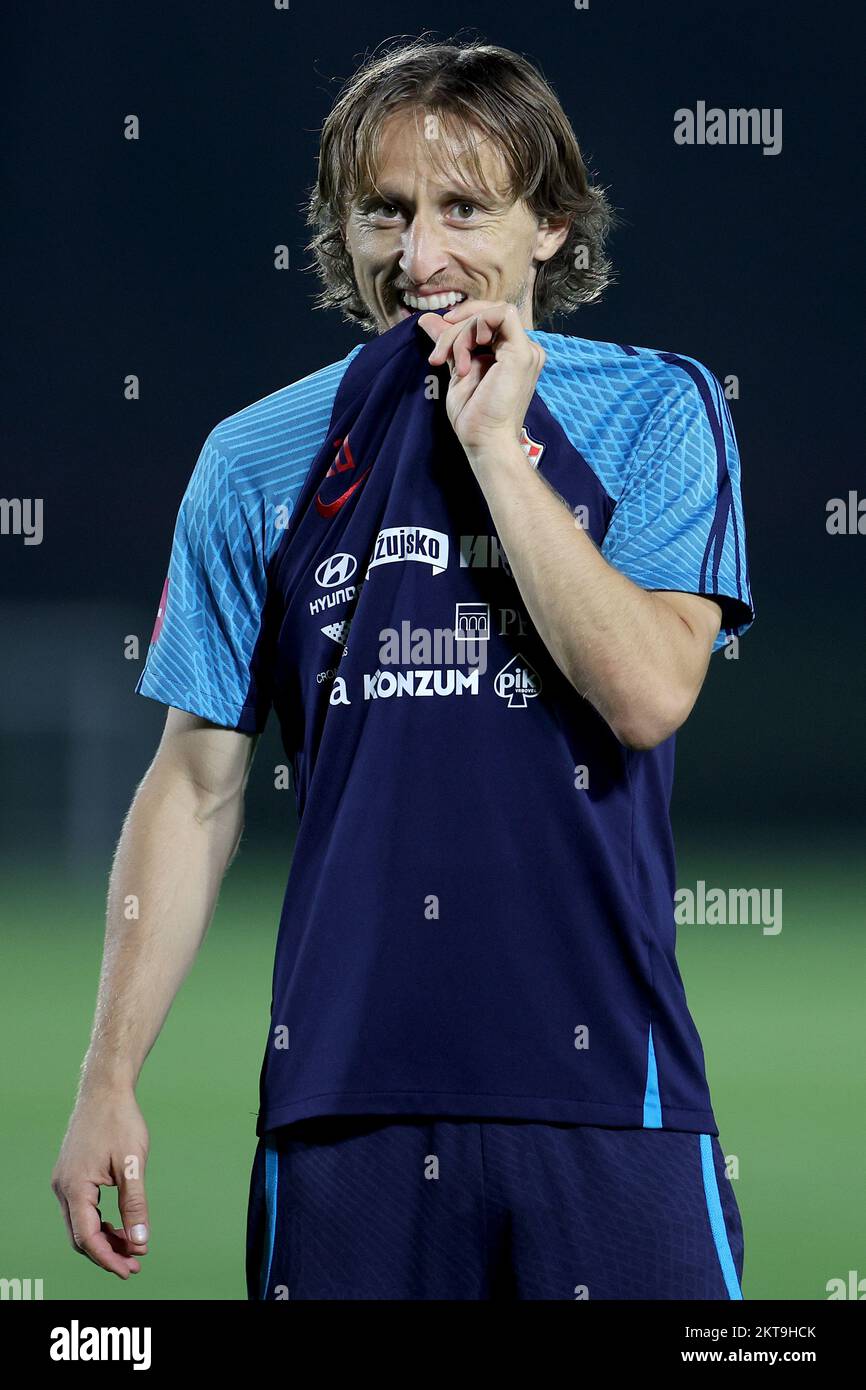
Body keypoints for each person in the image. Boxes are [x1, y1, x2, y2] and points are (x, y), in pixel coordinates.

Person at [52, 37, 755, 1300]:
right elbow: (195, 789)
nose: (419, 257)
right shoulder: (256, 456)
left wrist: (496, 445)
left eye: (462, 209)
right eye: (384, 211)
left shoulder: (658, 410)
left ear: (549, 223)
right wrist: (107, 1078)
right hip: (340, 1109)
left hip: (610, 1096)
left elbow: (647, 691)